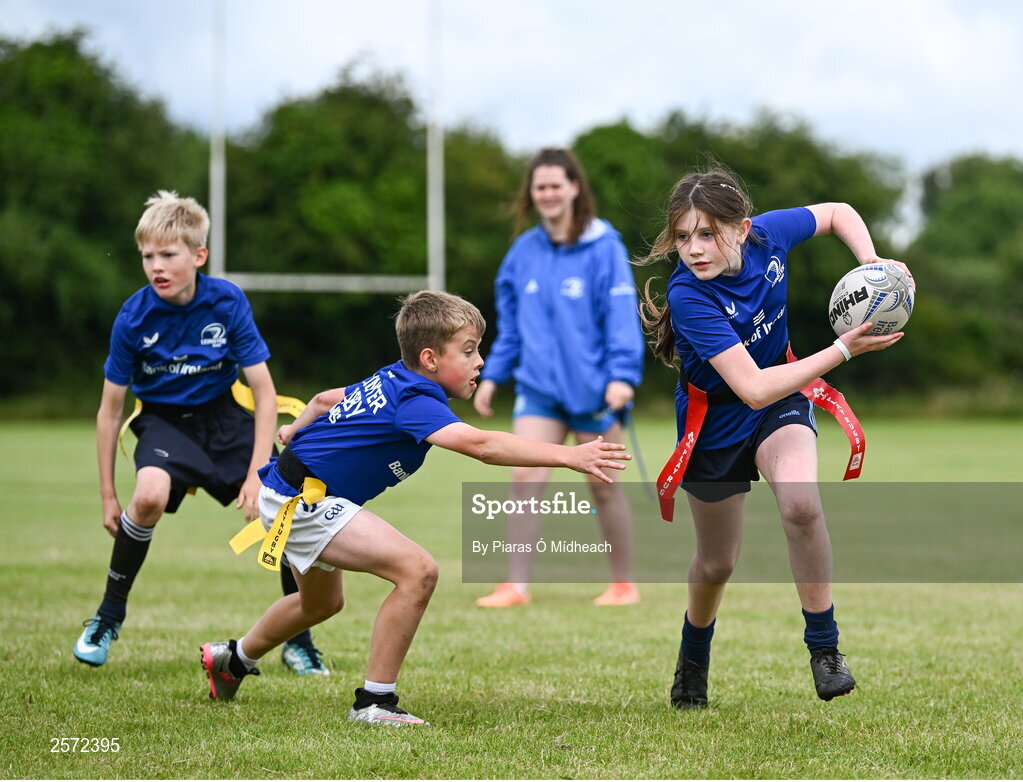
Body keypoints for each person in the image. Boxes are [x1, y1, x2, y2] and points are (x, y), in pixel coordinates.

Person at [200, 290, 631, 725]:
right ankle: (374, 702)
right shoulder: (416, 399)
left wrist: (296, 429)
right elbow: (480, 445)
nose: (479, 360)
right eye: (468, 351)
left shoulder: (395, 377)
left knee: (320, 605)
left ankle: (231, 659)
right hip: (305, 498)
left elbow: (324, 400)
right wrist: (570, 456)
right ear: (429, 359)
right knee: (417, 570)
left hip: (292, 490)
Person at [636, 169, 910, 708]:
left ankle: (825, 648)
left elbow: (836, 211)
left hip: (780, 401)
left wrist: (871, 263)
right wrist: (844, 350)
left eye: (707, 234)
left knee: (802, 506)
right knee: (716, 563)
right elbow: (751, 388)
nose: (693, 249)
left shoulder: (769, 235)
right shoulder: (688, 295)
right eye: (684, 236)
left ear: (741, 229)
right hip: (714, 422)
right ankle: (693, 655)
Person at [74, 190, 328, 676]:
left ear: (199, 256)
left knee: (286, 504)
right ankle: (106, 619)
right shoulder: (133, 317)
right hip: (164, 421)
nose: (156, 266)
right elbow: (110, 412)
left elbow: (265, 394)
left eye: (168, 255)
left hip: (225, 417)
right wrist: (109, 495)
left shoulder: (226, 301)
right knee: (147, 496)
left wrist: (259, 475)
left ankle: (299, 639)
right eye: (147, 256)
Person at [472, 147, 645, 608]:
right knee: (525, 477)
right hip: (539, 388)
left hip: (594, 391)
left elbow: (621, 317)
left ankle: (623, 584)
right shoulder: (521, 253)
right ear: (531, 194)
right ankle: (516, 586)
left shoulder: (605, 247)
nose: (547, 194)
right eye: (539, 186)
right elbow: (510, 327)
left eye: (555, 185)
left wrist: (622, 375)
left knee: (602, 486)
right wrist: (491, 376)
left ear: (573, 188)